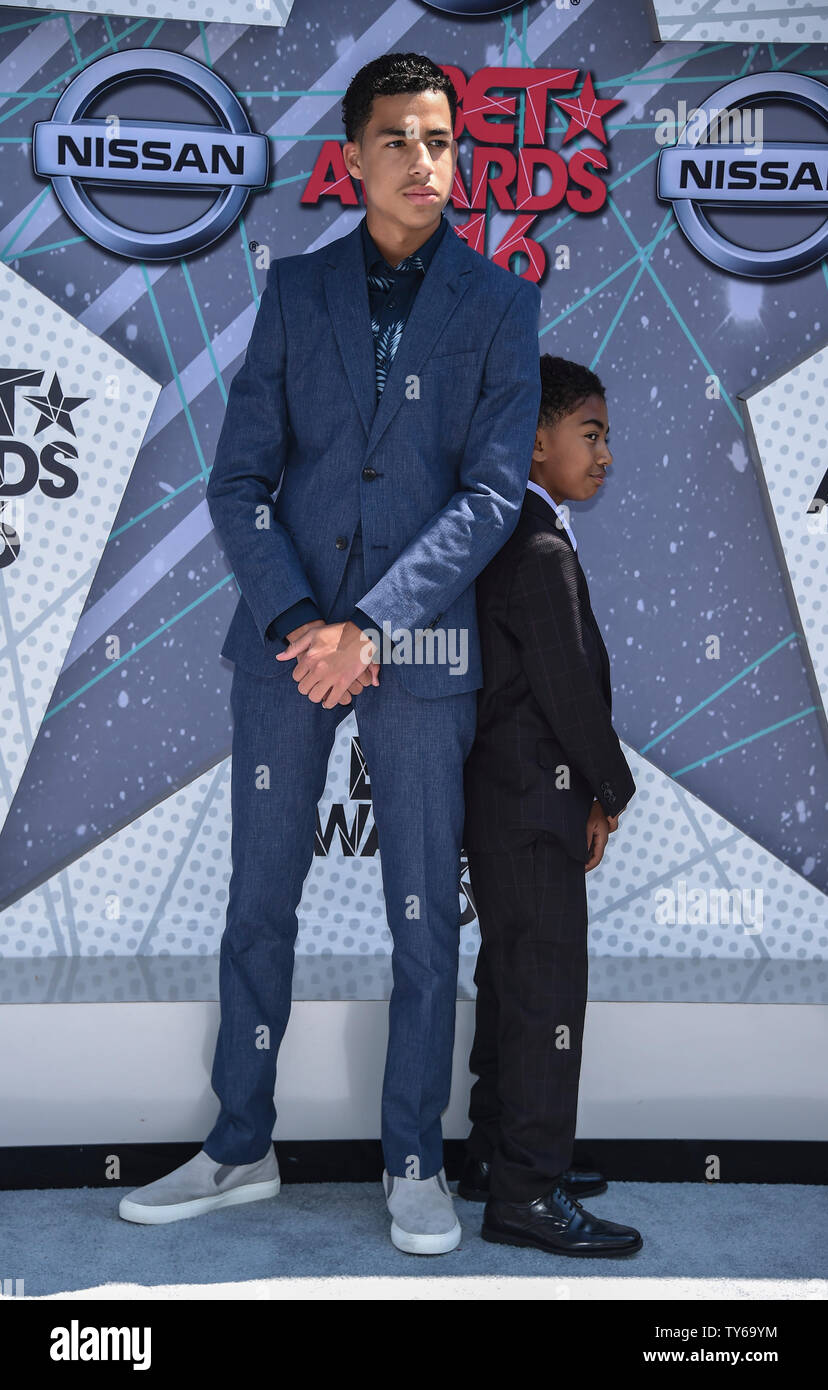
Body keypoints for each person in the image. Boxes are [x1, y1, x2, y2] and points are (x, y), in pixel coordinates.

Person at [118, 52, 542, 1255]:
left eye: (442, 140)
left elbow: (491, 494)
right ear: (351, 157)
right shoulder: (295, 293)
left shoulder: (503, 305)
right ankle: (238, 1145)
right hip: (285, 650)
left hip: (417, 654)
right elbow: (241, 479)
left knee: (422, 920)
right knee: (259, 904)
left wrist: (373, 627)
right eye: (399, 139)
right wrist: (306, 623)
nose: (424, 161)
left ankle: (416, 1161)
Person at [460, 355, 643, 1256]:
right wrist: (611, 788)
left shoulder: (518, 534)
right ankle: (527, 1194)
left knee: (512, 983)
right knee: (545, 994)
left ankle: (498, 1154)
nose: (606, 454)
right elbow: (568, 693)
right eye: (592, 433)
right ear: (536, 443)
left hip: (513, 802)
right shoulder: (536, 549)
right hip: (536, 803)